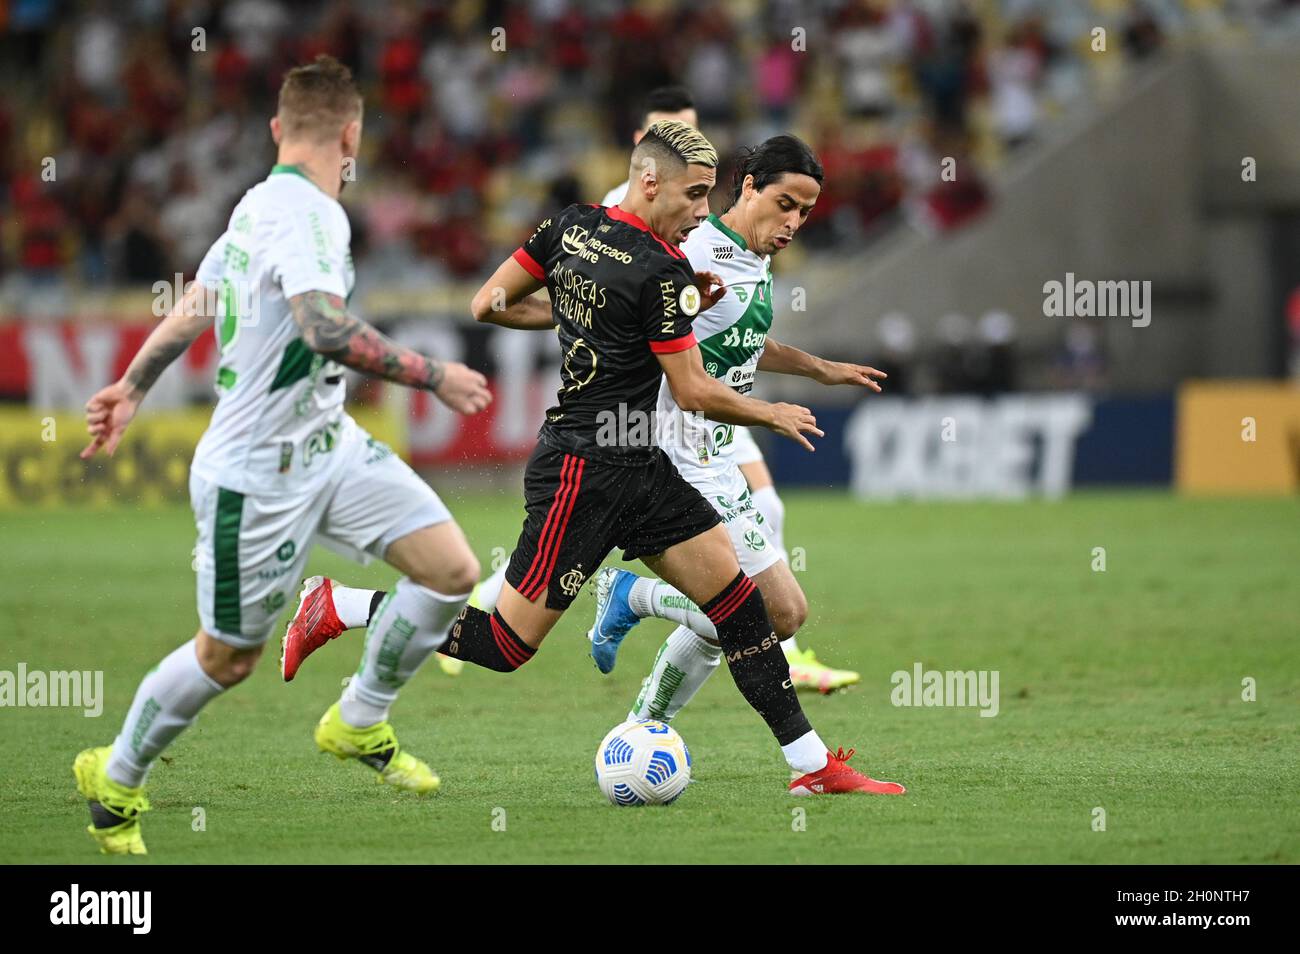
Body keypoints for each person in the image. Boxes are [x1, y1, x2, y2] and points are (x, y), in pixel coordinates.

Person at [284, 120, 906, 797]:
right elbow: (693, 389)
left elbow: (488, 303)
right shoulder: (667, 270)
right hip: (583, 468)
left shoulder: (569, 226)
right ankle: (340, 605)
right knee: (503, 646)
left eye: (707, 196)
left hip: (641, 463)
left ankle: (810, 766)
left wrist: (589, 316)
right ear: (650, 182)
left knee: (741, 607)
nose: (701, 211)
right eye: (694, 195)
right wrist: (771, 411)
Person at [73, 56, 492, 855]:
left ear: (277, 130)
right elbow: (324, 328)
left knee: (449, 571)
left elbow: (200, 296)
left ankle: (358, 720)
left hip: (329, 446)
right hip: (256, 476)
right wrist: (435, 374)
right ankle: (116, 775)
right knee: (227, 659)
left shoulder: (257, 202)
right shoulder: (312, 215)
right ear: (352, 134)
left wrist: (131, 384)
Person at [587, 135, 886, 727]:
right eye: (785, 204)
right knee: (775, 614)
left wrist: (819, 369)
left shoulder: (752, 258)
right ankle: (633, 597)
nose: (794, 221)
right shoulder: (694, 249)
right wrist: (770, 412)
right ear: (748, 186)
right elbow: (657, 336)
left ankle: (645, 725)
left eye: (805, 211)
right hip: (673, 452)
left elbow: (744, 340)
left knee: (765, 614)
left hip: (715, 453)